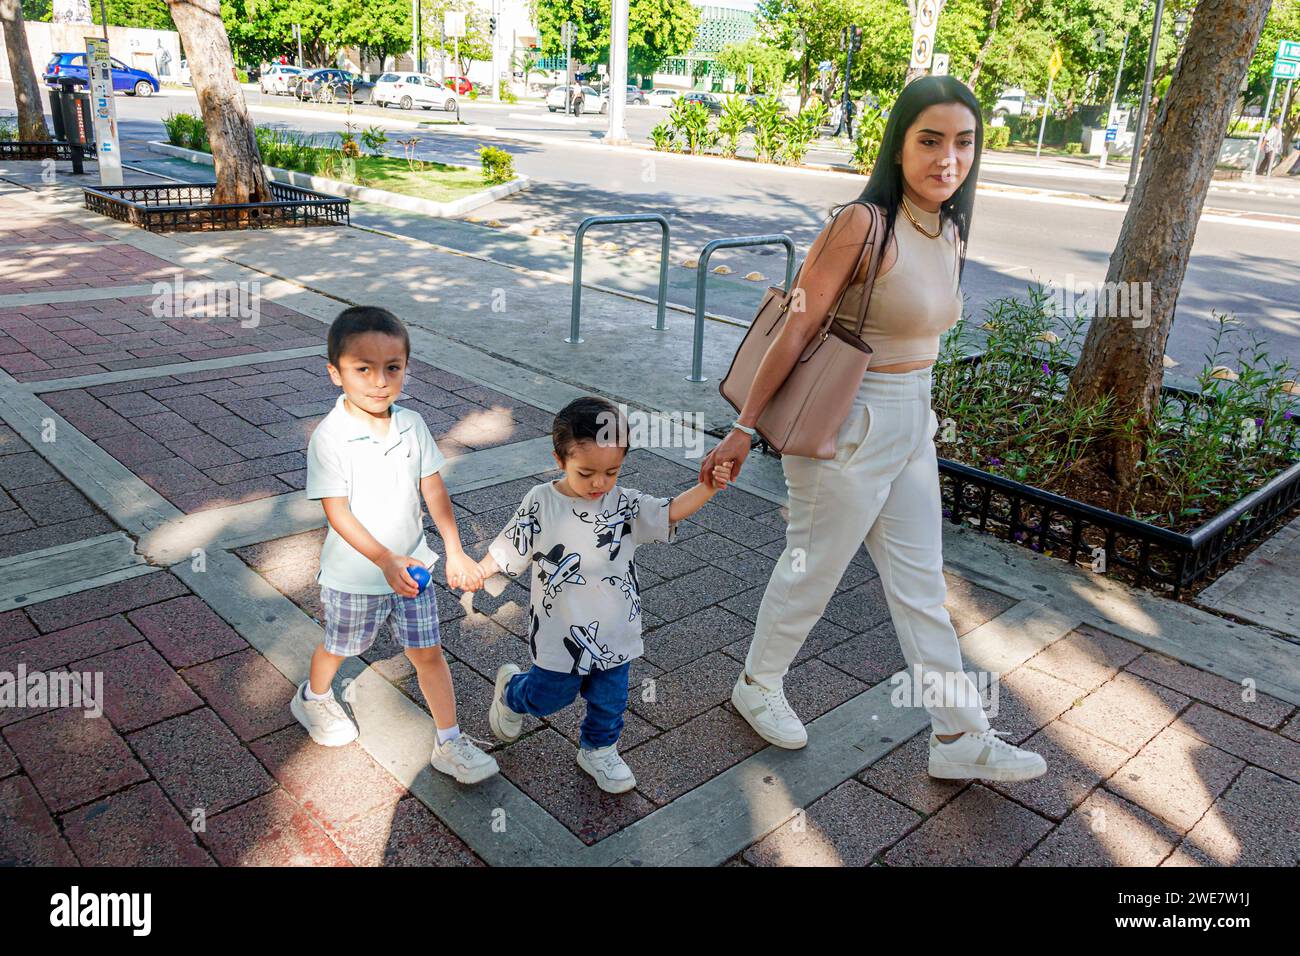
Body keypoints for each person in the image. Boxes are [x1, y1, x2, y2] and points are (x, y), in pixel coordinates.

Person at [699, 75, 1048, 784]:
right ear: (898, 145)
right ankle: (758, 684)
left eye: (963, 142)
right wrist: (744, 427)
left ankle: (959, 735)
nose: (947, 158)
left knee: (922, 585)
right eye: (929, 141)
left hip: (911, 421)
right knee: (813, 567)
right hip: (849, 417)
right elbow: (796, 327)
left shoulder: (947, 226)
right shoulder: (863, 223)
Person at [478, 397, 733, 793]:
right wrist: (481, 570)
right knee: (547, 698)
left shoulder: (625, 504)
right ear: (559, 459)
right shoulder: (541, 502)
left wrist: (708, 486)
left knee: (610, 699)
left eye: (612, 471)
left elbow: (669, 511)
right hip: (559, 632)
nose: (599, 483)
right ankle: (513, 692)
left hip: (615, 630)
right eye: (587, 472)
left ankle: (599, 748)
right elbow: (512, 543)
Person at [294, 306, 498, 785]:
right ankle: (313, 697)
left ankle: (449, 741)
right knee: (342, 645)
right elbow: (336, 512)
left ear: (405, 367)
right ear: (334, 373)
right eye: (362, 369)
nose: (379, 381)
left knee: (428, 652)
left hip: (415, 572)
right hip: (354, 577)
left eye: (392, 367)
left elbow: (434, 490)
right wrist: (383, 559)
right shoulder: (330, 438)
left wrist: (454, 547)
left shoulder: (413, 424)